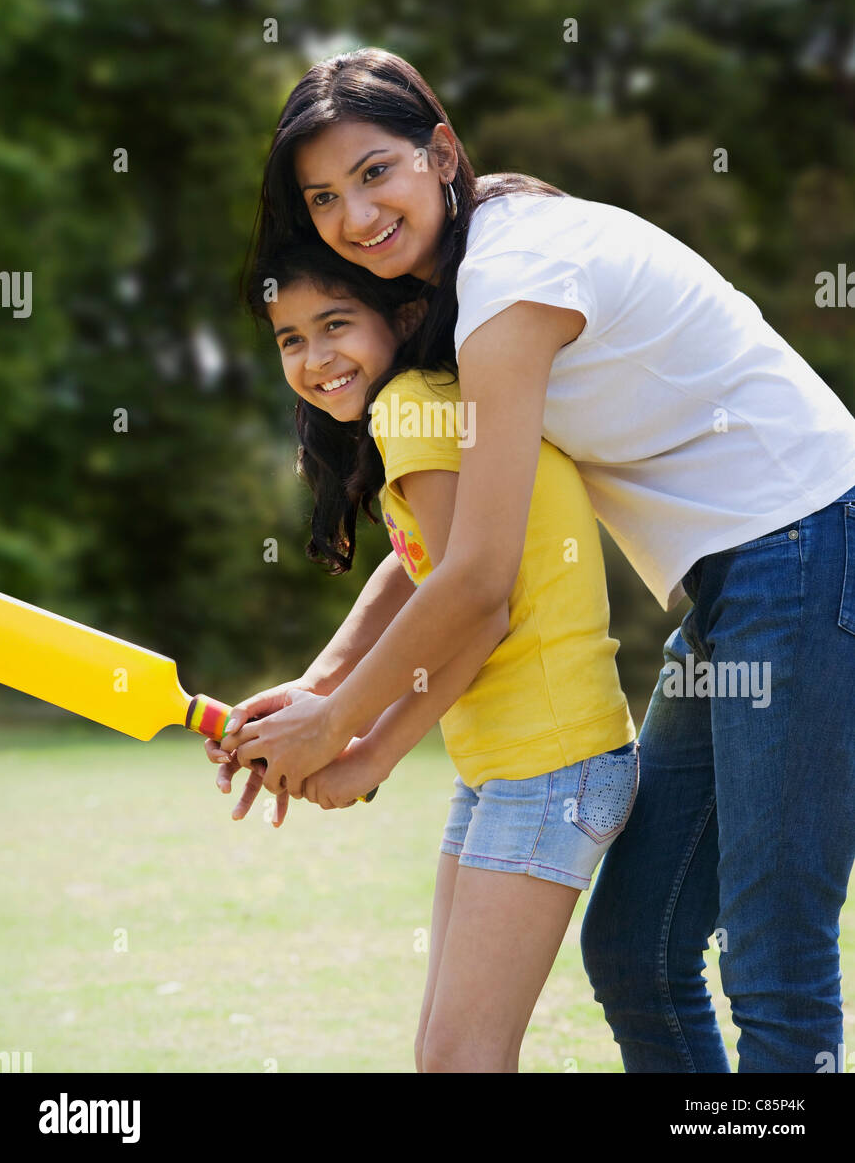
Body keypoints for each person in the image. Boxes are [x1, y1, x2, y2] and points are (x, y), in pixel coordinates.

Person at [215, 47, 855, 1073]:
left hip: (811, 544)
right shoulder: (466, 292)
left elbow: (477, 582)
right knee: (637, 948)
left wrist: (341, 729)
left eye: (375, 172)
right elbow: (451, 541)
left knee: (773, 957)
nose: (353, 214)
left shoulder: (508, 284)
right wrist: (325, 683)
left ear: (440, 152)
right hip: (736, 583)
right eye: (323, 196)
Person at [211, 236, 638, 1074]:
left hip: (551, 766)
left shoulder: (414, 402)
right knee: (445, 1055)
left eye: (335, 323)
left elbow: (474, 613)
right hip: (515, 768)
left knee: (460, 1057)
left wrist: (362, 752)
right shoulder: (430, 402)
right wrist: (317, 684)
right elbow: (418, 567)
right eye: (291, 338)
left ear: (403, 315)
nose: (314, 356)